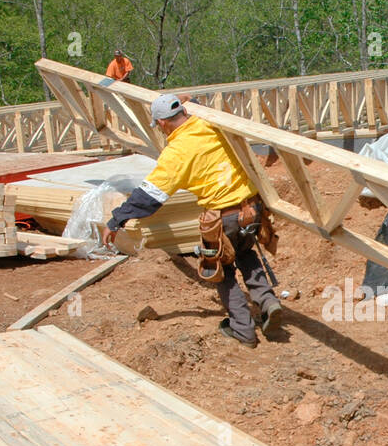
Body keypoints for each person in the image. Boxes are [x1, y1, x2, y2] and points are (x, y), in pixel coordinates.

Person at [104, 93, 283, 347]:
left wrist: (116, 220)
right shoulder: (209, 122)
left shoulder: (176, 152)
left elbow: (148, 197)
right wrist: (190, 100)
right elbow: (197, 105)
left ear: (163, 124)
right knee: (246, 253)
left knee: (220, 270)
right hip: (252, 209)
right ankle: (268, 302)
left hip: (223, 217)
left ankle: (243, 329)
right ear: (183, 113)